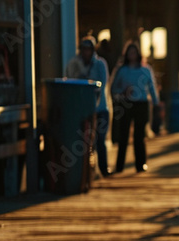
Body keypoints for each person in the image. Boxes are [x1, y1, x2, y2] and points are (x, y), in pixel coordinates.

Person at [111, 41, 159, 174]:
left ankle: (140, 164)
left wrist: (156, 102)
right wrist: (123, 92)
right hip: (126, 104)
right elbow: (114, 88)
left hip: (142, 104)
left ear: (138, 54)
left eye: (134, 52)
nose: (132, 55)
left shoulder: (146, 69)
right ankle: (119, 166)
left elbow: (152, 87)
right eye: (129, 52)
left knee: (139, 136)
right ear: (126, 54)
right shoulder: (122, 70)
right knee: (123, 135)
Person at [65, 36, 111, 177]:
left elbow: (102, 83)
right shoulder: (75, 63)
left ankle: (103, 169)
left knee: (100, 140)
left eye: (89, 49)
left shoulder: (100, 64)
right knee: (86, 143)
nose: (86, 52)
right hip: (84, 110)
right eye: (84, 49)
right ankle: (89, 172)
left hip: (100, 108)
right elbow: (70, 80)